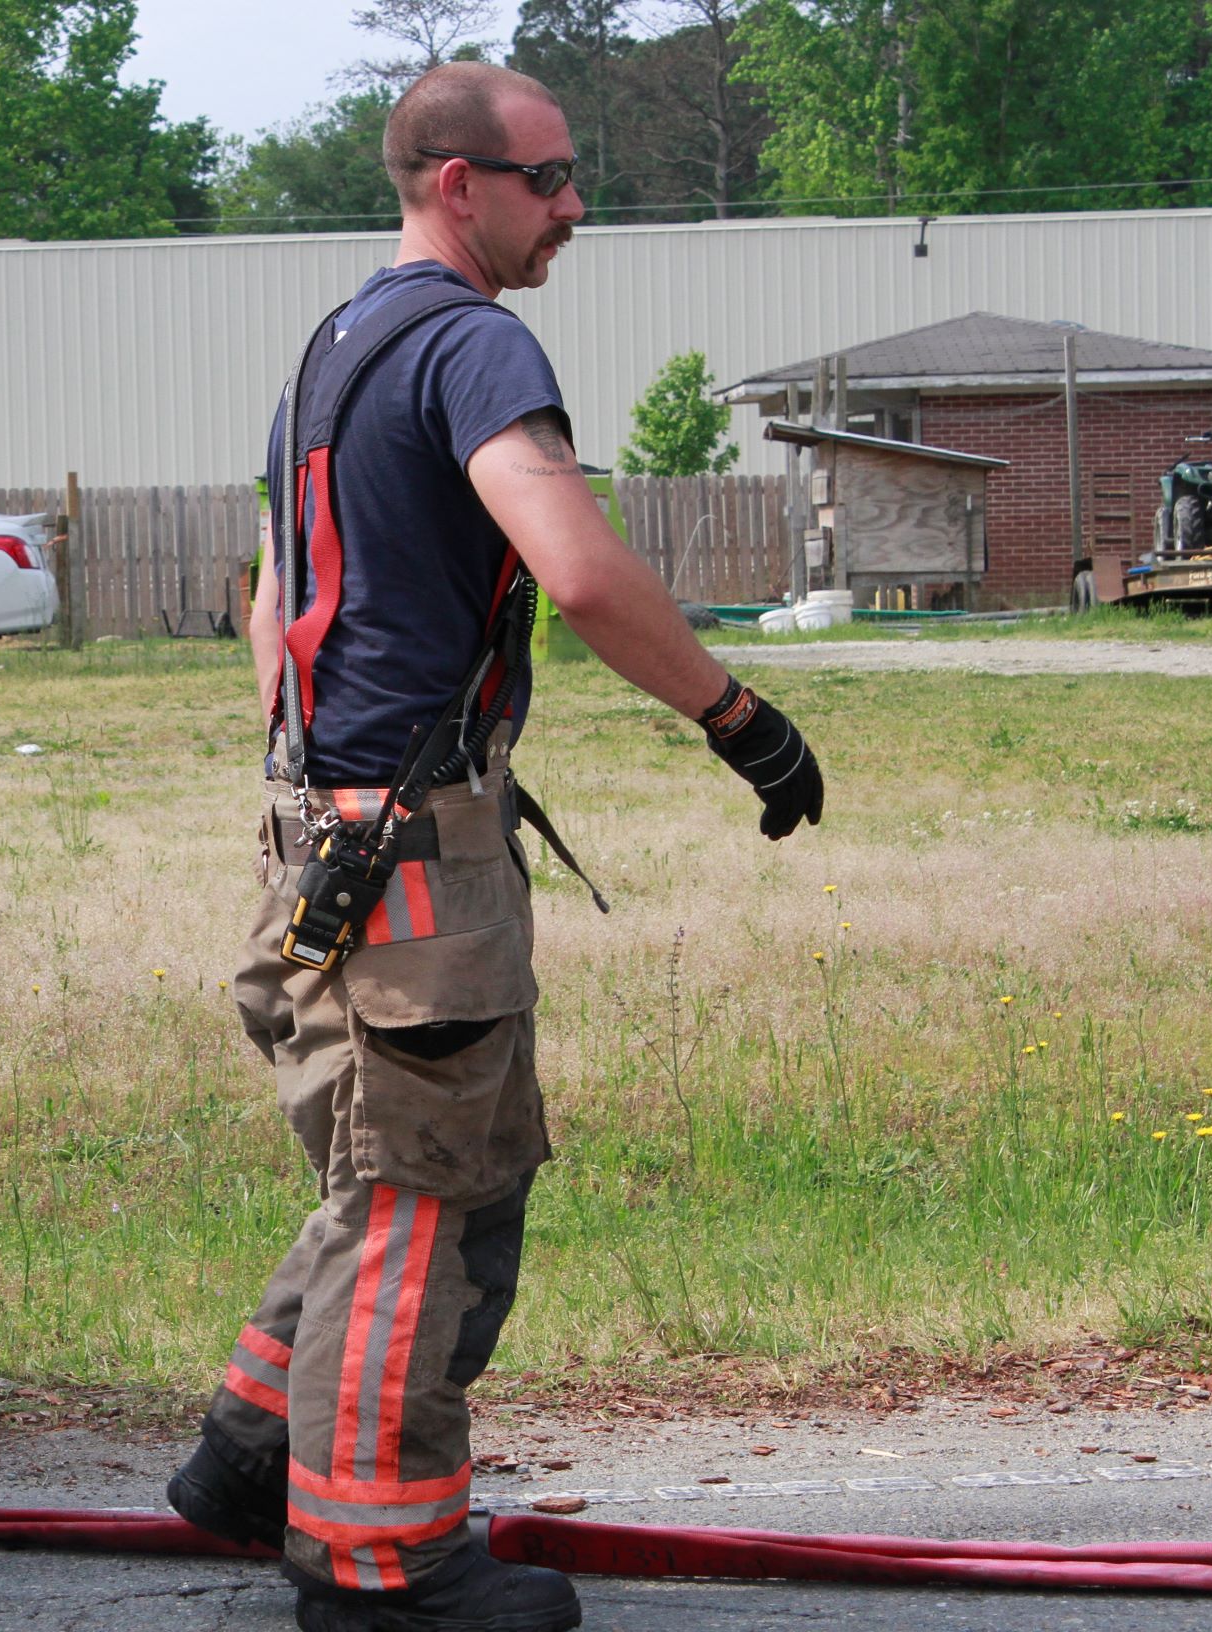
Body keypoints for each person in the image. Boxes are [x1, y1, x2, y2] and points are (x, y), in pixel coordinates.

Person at [167, 63, 824, 1632]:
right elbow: (580, 572)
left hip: (330, 840)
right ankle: (380, 1565)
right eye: (551, 178)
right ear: (458, 185)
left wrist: (316, 777)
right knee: (418, 1201)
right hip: (408, 857)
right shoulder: (469, 344)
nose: (574, 206)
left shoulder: (334, 348)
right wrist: (738, 717)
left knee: (411, 1165)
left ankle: (258, 1450)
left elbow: (268, 594)